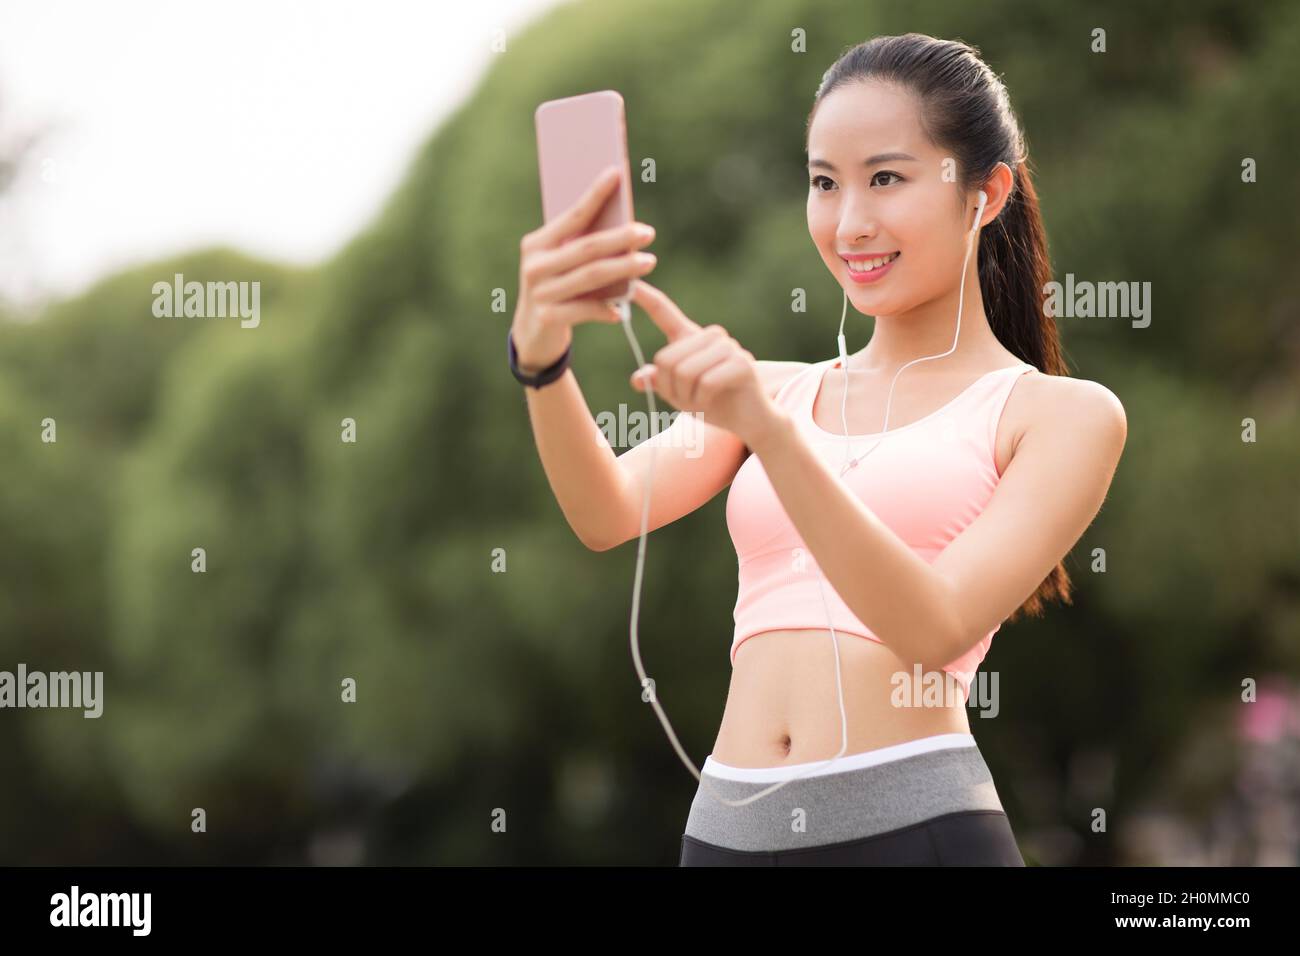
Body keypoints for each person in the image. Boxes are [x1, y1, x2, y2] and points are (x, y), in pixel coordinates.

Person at [508, 33, 1127, 866]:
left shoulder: (1063, 415)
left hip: (915, 829)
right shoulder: (772, 388)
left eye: (886, 178)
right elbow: (603, 513)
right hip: (726, 833)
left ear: (985, 194)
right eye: (824, 183)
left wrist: (769, 433)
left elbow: (934, 627)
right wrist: (541, 359)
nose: (849, 223)